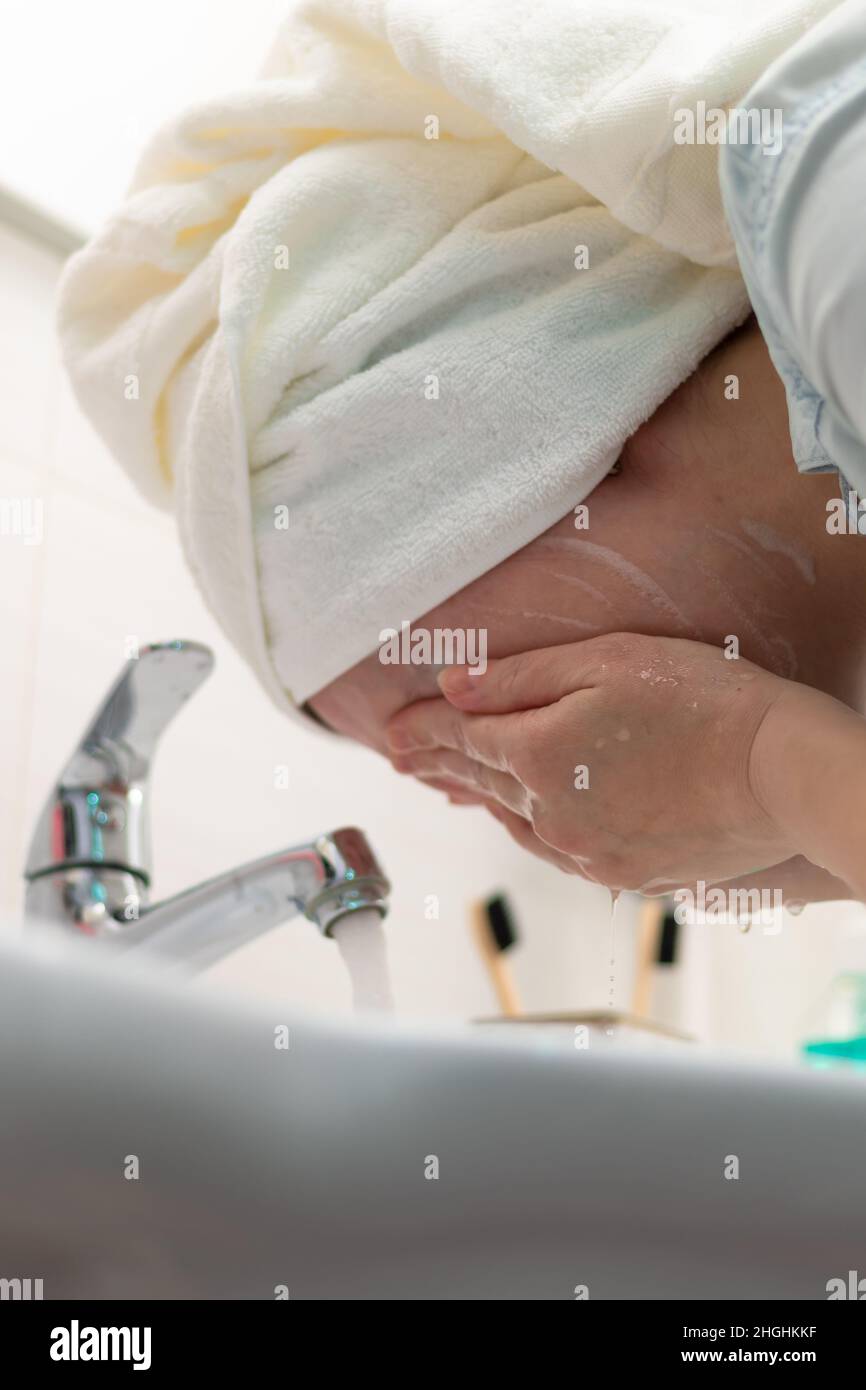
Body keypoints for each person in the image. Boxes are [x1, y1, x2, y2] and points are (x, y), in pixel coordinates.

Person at [361, 3, 866, 903]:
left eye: (495, 742)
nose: (563, 821)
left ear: (623, 452)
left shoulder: (837, 206)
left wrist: (762, 766)